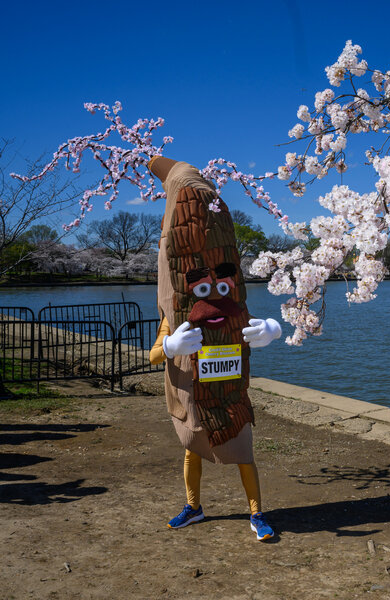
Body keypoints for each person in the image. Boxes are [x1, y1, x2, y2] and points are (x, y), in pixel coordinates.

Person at [147, 156, 281, 541]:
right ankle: (193, 506)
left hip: (229, 394)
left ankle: (257, 513)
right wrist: (170, 344)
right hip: (192, 394)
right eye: (204, 288)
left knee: (243, 453)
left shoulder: (234, 312)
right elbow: (154, 355)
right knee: (192, 448)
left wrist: (271, 328)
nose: (215, 296)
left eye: (222, 287)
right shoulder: (177, 316)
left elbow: (257, 328)